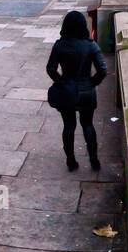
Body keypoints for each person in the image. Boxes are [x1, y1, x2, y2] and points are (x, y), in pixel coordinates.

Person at [46, 11, 108, 172]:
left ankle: (71, 161)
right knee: (88, 125)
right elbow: (102, 69)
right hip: (87, 92)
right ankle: (94, 160)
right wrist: (92, 83)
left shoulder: (59, 45)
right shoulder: (90, 45)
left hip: (67, 91)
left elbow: (51, 69)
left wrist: (61, 82)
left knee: (68, 126)